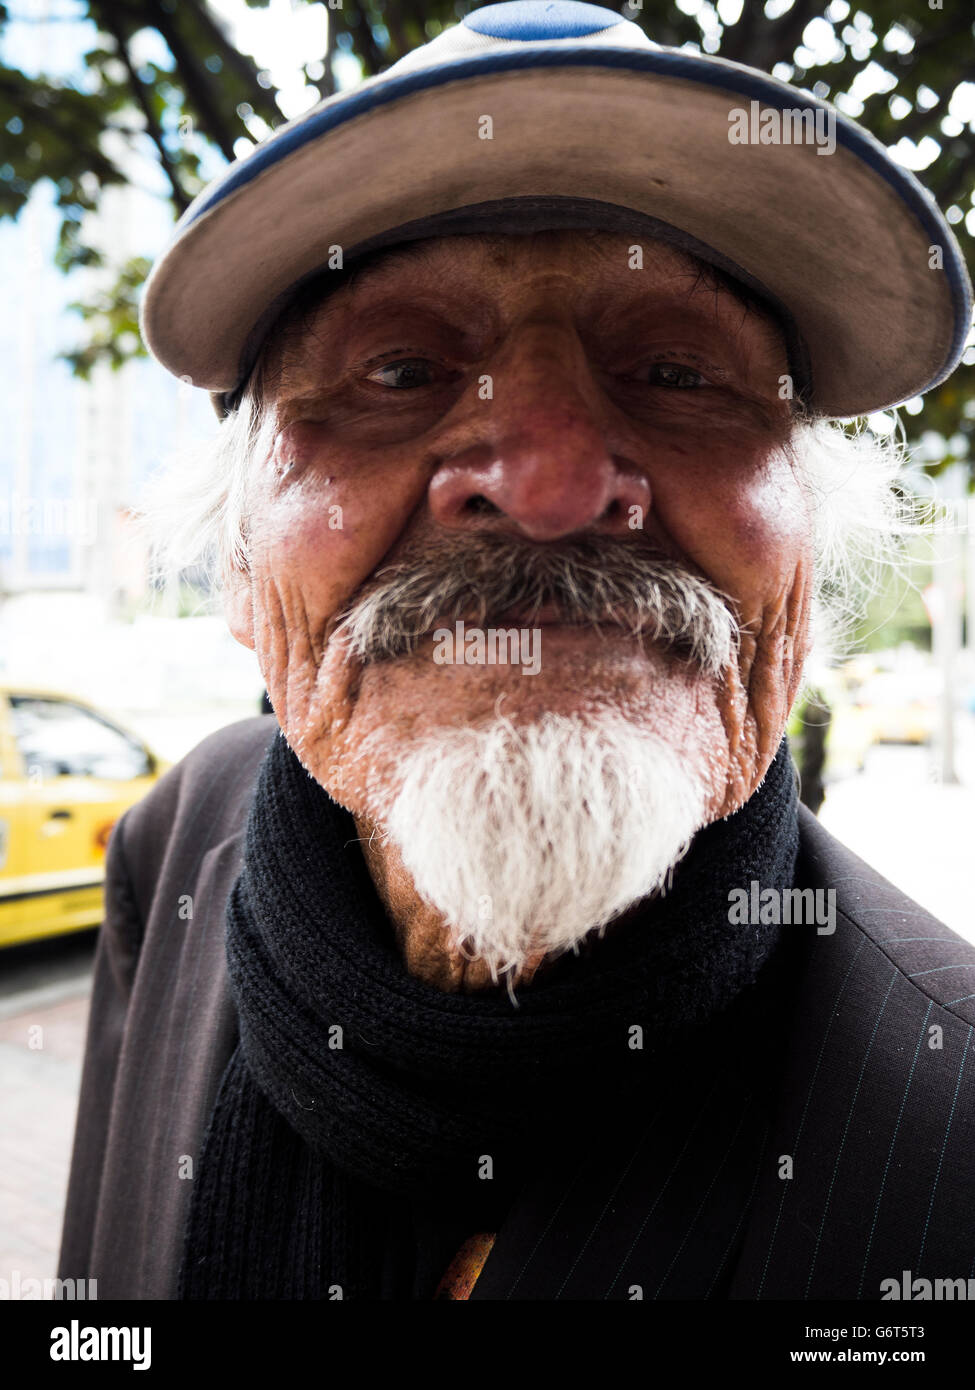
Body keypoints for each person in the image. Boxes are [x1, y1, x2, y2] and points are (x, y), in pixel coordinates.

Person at [58, 2, 975, 1301]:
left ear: (809, 559)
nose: (549, 479)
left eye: (675, 369)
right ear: (236, 558)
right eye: (395, 370)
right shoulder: (174, 849)